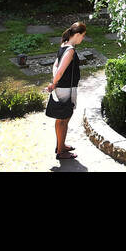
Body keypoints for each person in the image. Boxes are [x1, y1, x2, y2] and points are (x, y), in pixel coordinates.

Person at [45, 22, 87, 160]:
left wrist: (54, 81)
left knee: (61, 118)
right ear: (77, 34)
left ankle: (61, 145)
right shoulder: (70, 51)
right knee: (64, 119)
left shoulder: (63, 45)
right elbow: (61, 69)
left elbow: (55, 65)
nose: (83, 39)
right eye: (83, 35)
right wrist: (54, 82)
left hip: (62, 88)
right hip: (66, 89)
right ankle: (61, 151)